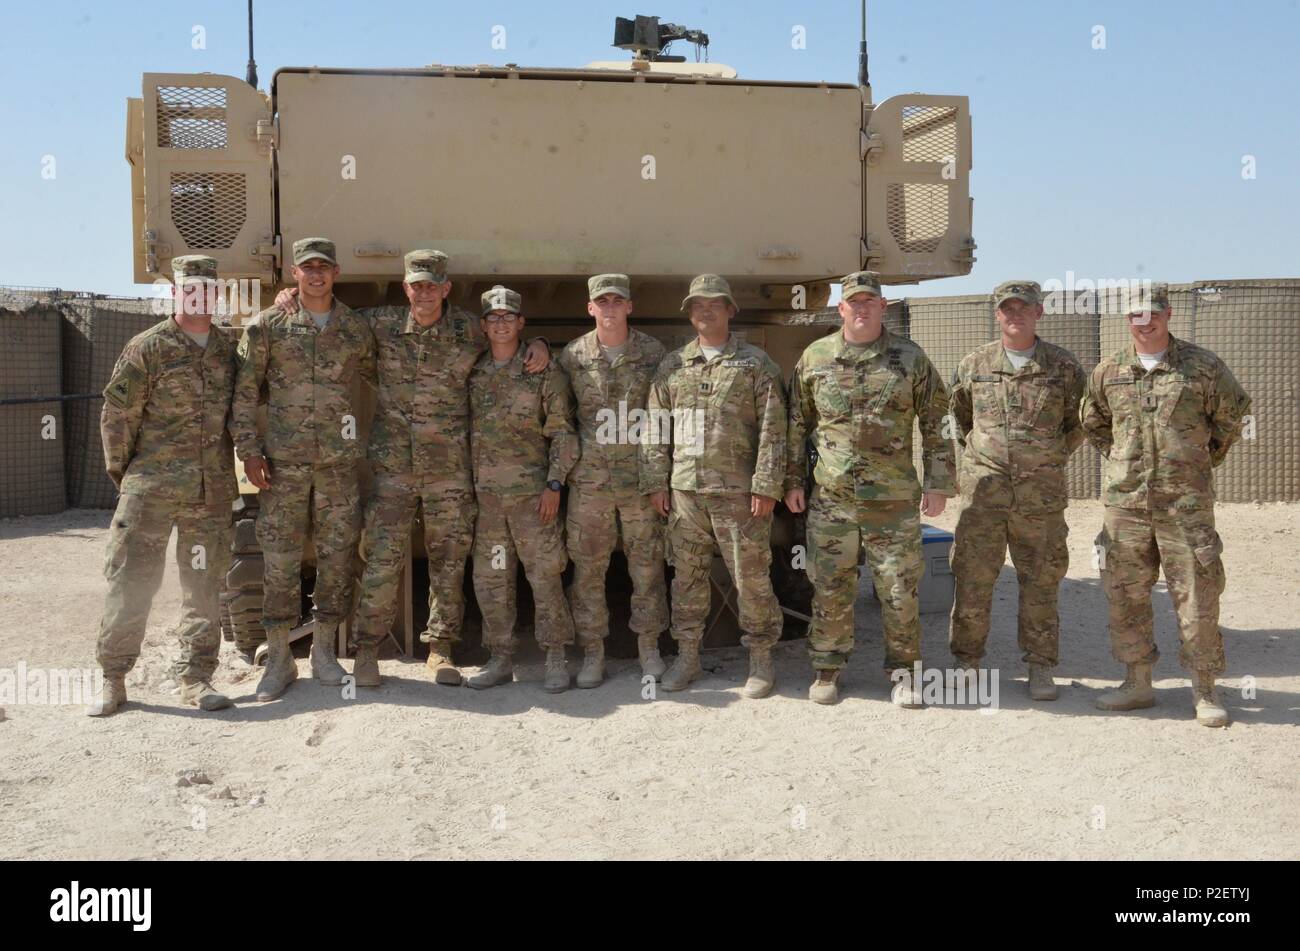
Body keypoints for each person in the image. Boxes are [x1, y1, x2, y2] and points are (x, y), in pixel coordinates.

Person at [1081, 282, 1251, 727]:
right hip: (1126, 506)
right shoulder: (1109, 371)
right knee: (1125, 595)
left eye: (1153, 313)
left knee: (1197, 596)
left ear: (1168, 314)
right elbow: (1094, 422)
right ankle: (1137, 683)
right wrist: (1126, 462)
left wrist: (1198, 458)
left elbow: (1233, 416)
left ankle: (1205, 689)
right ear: (1127, 319)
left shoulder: (1203, 367)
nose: (1146, 322)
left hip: (1185, 505)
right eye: (1136, 315)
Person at [88, 255, 239, 715]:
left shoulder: (228, 351)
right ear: (176, 292)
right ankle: (113, 679)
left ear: (217, 296)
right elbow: (117, 419)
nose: (199, 297)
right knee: (132, 582)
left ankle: (196, 678)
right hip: (150, 491)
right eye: (189, 288)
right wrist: (129, 478)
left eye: (207, 290)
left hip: (209, 493)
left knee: (204, 587)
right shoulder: (148, 347)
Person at [642, 274, 787, 698]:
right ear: (689, 313)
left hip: (740, 493)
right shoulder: (672, 365)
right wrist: (656, 481)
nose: (705, 311)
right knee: (686, 579)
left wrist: (766, 485)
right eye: (697, 305)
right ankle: (688, 657)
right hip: (686, 492)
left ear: (730, 310)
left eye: (714, 304)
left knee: (752, 579)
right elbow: (654, 429)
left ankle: (761, 660)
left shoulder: (756, 364)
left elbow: (774, 431)